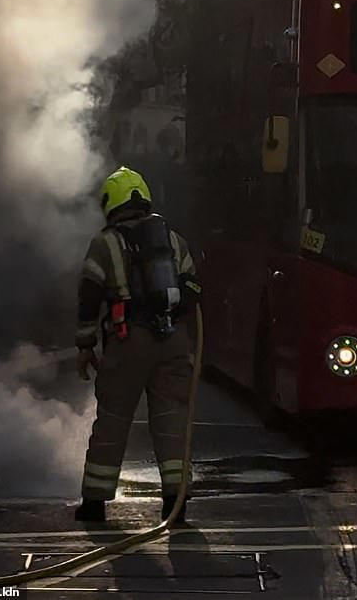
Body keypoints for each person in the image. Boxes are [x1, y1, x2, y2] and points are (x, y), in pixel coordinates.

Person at [75, 166, 201, 524]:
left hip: (128, 340)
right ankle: (176, 505)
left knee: (113, 420)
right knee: (172, 421)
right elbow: (193, 289)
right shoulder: (173, 240)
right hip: (173, 339)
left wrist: (85, 345)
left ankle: (95, 504)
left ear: (110, 204)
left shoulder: (105, 244)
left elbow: (89, 297)